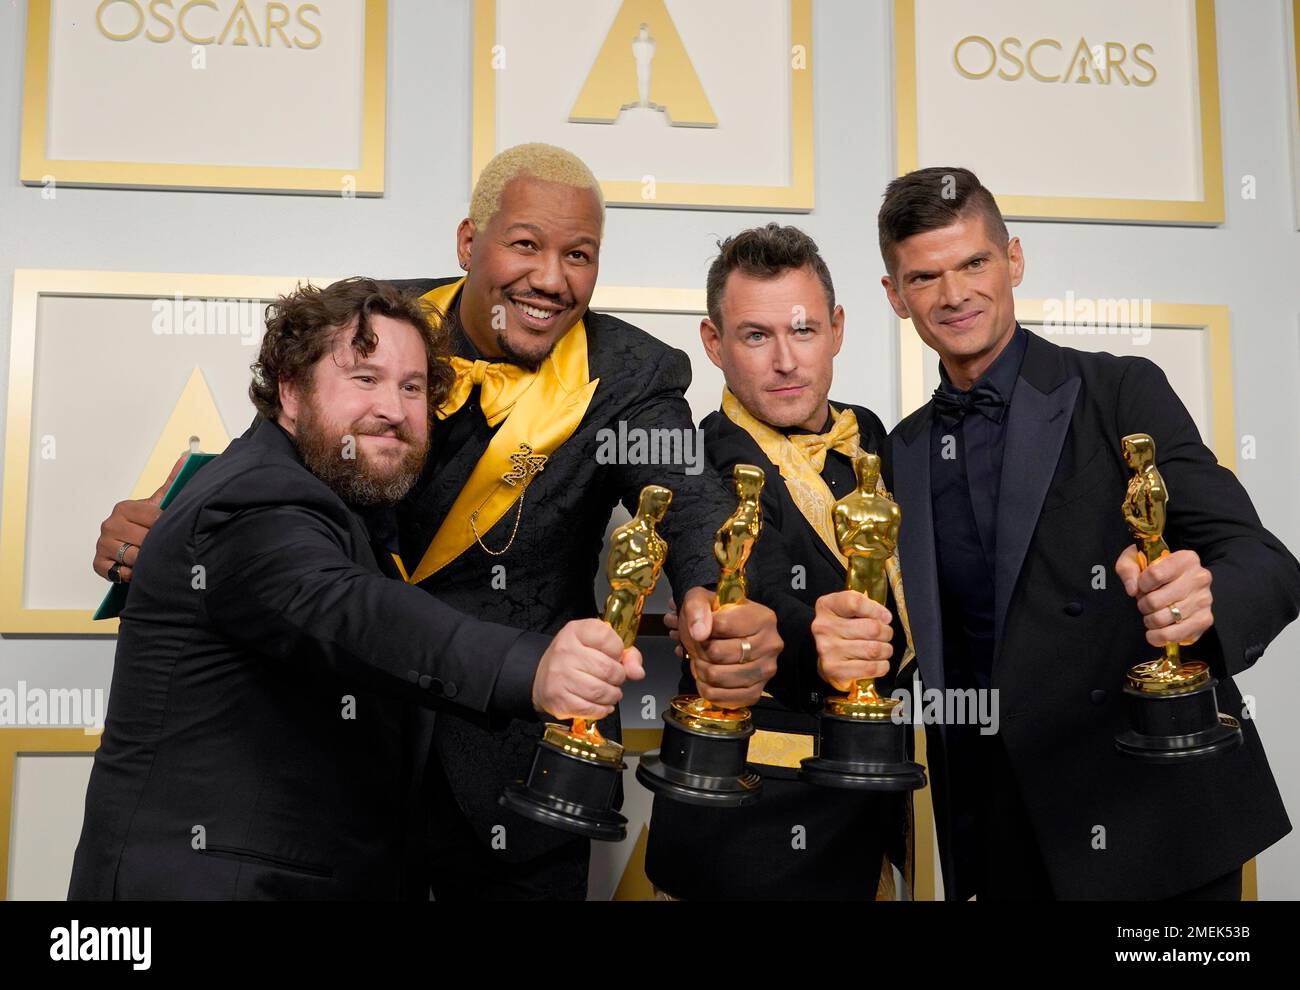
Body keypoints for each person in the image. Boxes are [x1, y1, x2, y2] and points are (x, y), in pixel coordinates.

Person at [91, 144, 783, 900]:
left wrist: (716, 595)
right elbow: (286, 461)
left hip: (519, 765)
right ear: (468, 242)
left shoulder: (629, 370)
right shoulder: (386, 328)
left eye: (578, 255)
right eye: (526, 244)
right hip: (337, 744)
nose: (551, 279)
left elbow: (688, 497)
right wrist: (178, 523)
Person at [70, 278, 638, 898]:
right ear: (291, 391)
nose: (393, 408)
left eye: (412, 387)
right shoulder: (255, 496)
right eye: (365, 378)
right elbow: (349, 611)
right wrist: (531, 667)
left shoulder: (342, 497)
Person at [824, 165, 1300, 900]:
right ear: (895, 296)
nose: (954, 295)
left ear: (1013, 260)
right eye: (924, 277)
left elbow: (1263, 558)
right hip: (999, 832)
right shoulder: (900, 451)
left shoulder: (1121, 390)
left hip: (1152, 813)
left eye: (974, 263)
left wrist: (1201, 603)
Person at [645, 224, 908, 900]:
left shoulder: (871, 435)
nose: (786, 361)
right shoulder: (694, 464)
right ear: (714, 344)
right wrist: (817, 641)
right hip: (749, 833)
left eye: (804, 331)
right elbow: (757, 602)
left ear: (837, 329)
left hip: (877, 818)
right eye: (757, 336)